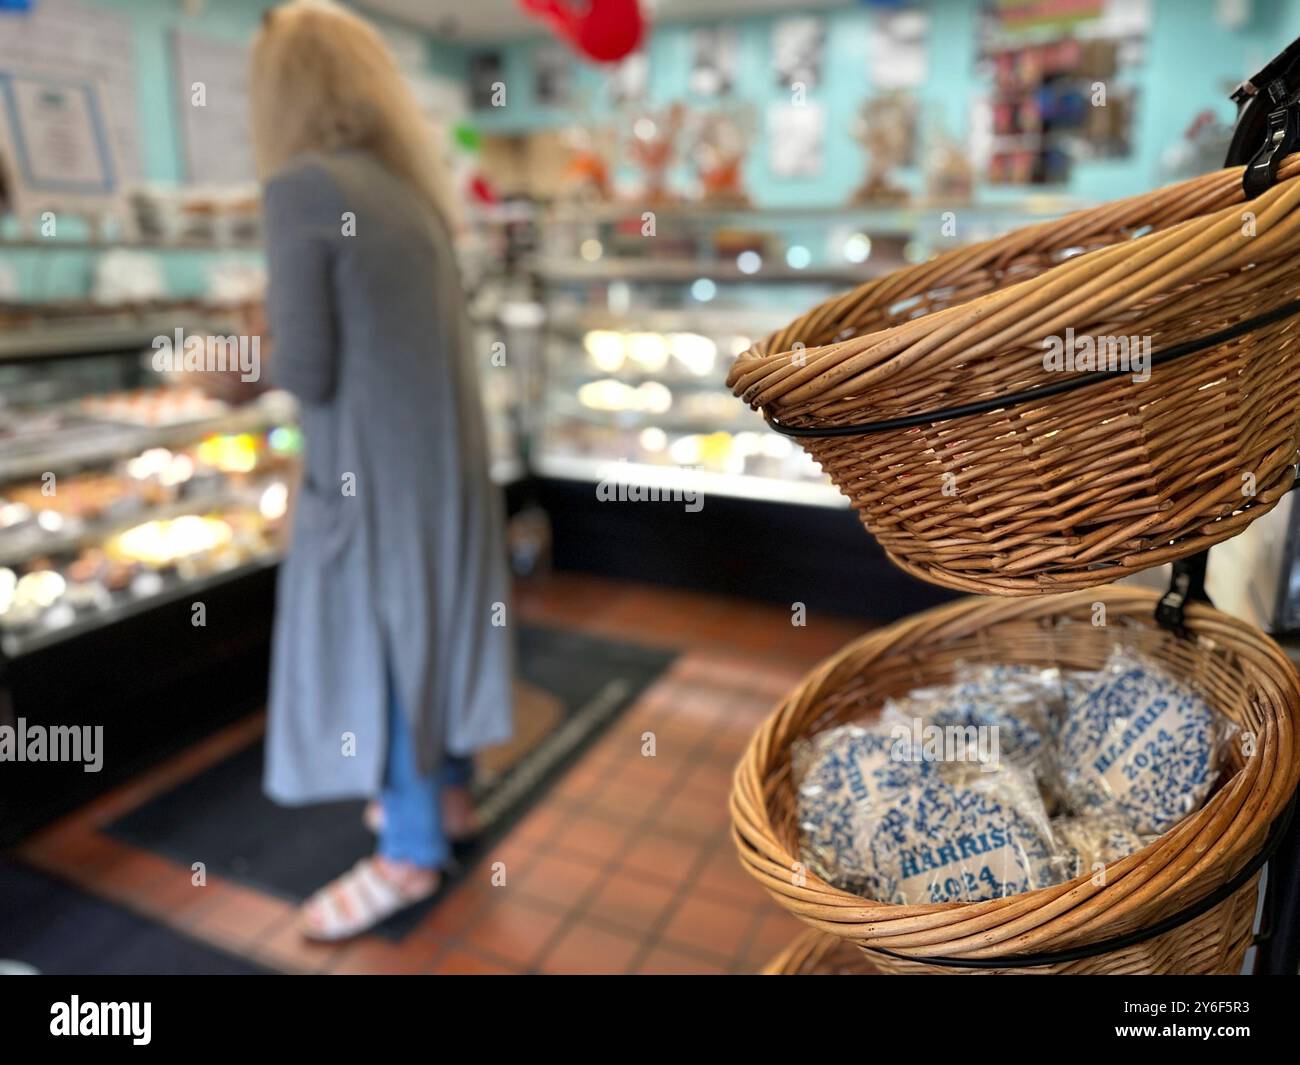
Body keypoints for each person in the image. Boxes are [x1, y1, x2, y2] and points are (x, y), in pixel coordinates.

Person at [249, 0, 513, 940]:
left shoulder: (301, 188)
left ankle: (407, 853)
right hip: (443, 467)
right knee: (436, 625)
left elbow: (306, 369)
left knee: (383, 655)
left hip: (367, 479)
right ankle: (447, 796)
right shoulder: (412, 193)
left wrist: (230, 356)